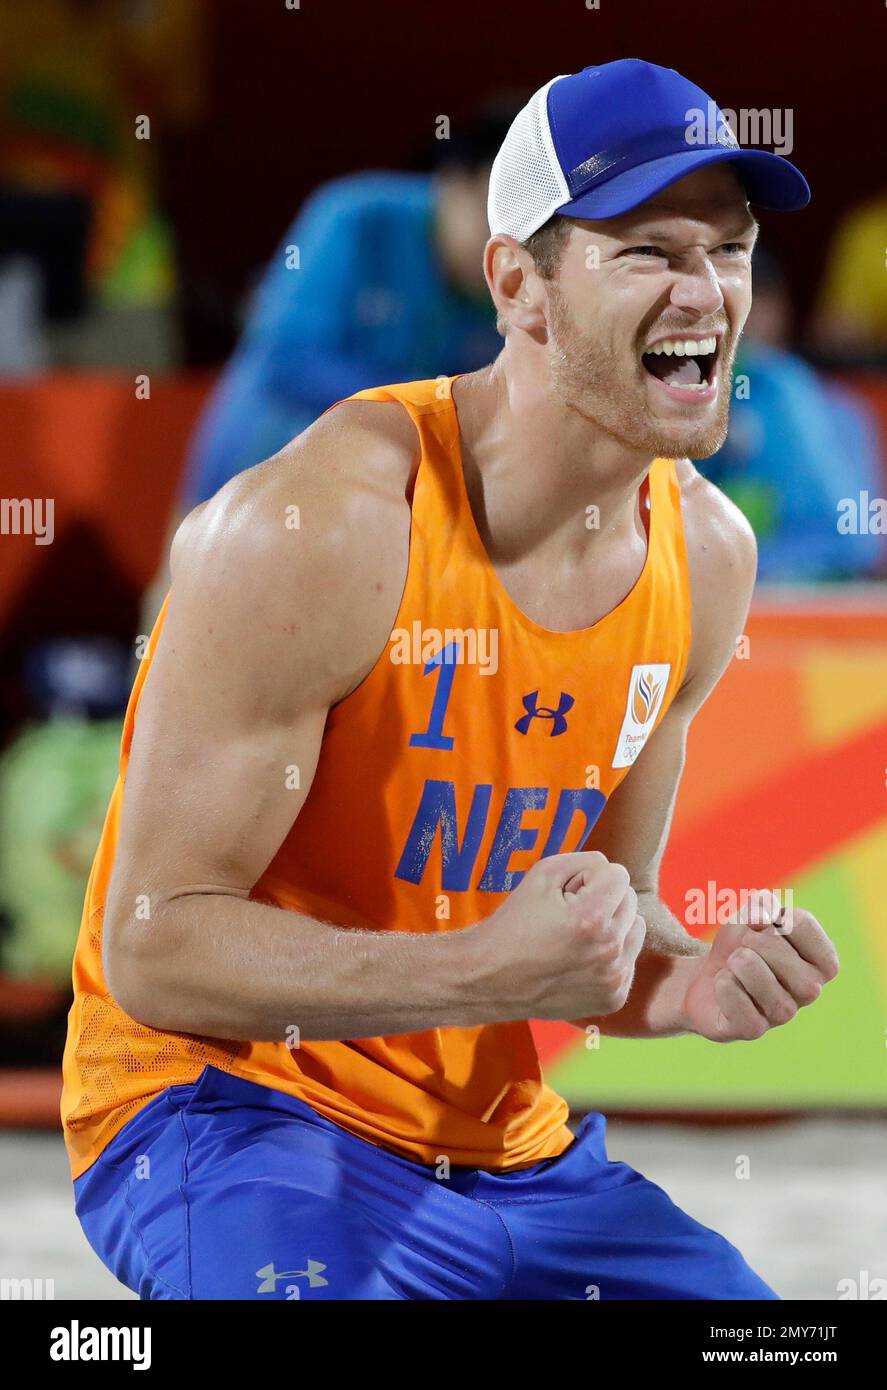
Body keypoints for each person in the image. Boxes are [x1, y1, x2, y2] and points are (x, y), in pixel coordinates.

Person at [63, 59, 839, 1301]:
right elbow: (154, 951)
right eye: (646, 249)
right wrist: (486, 967)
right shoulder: (324, 527)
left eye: (729, 250)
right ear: (517, 286)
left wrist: (679, 982)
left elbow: (603, 925)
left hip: (505, 1153)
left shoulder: (704, 554)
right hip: (229, 1116)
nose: (706, 292)